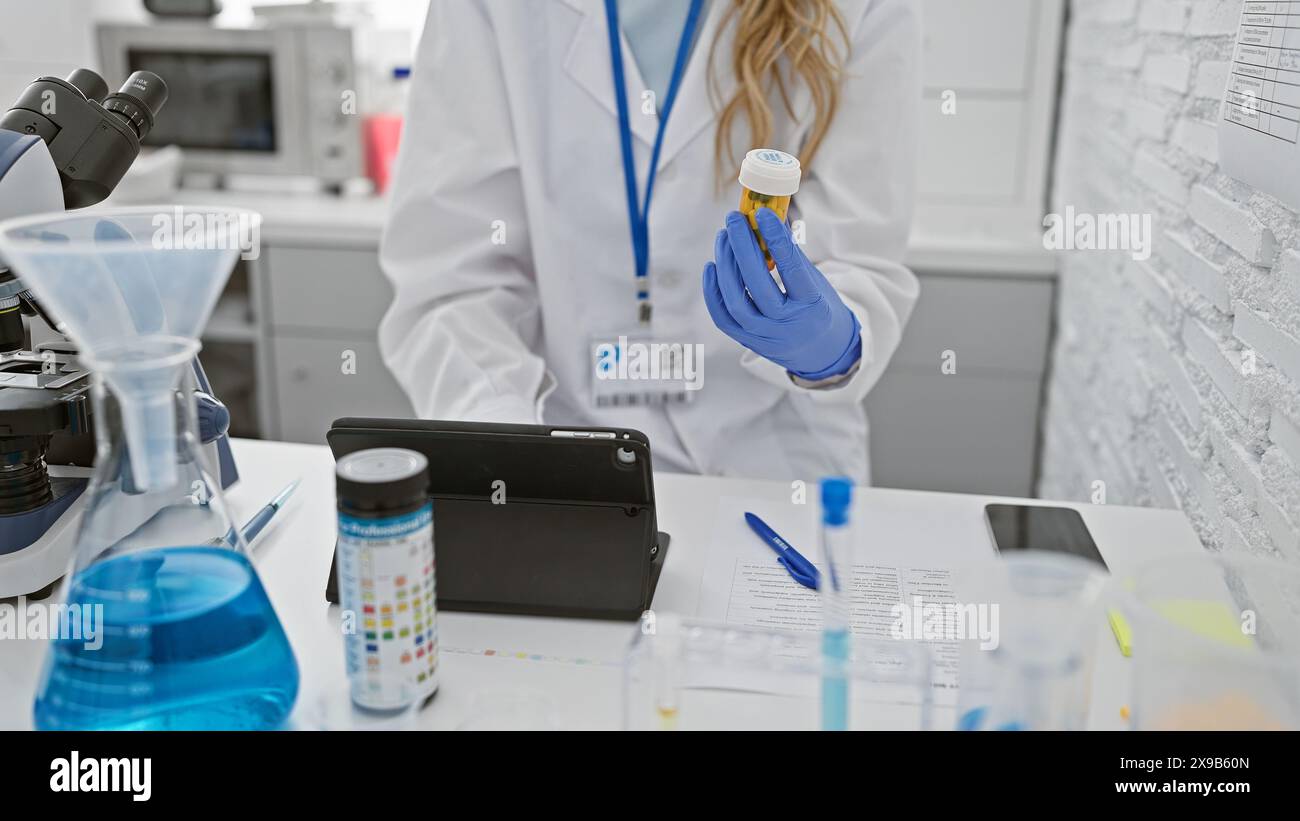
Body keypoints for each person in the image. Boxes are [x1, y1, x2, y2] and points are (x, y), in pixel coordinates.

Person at [380, 0, 920, 482]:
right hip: (571, 460)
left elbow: (858, 253)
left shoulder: (860, 8)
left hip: (776, 462)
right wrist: (504, 435)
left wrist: (831, 346)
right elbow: (454, 278)